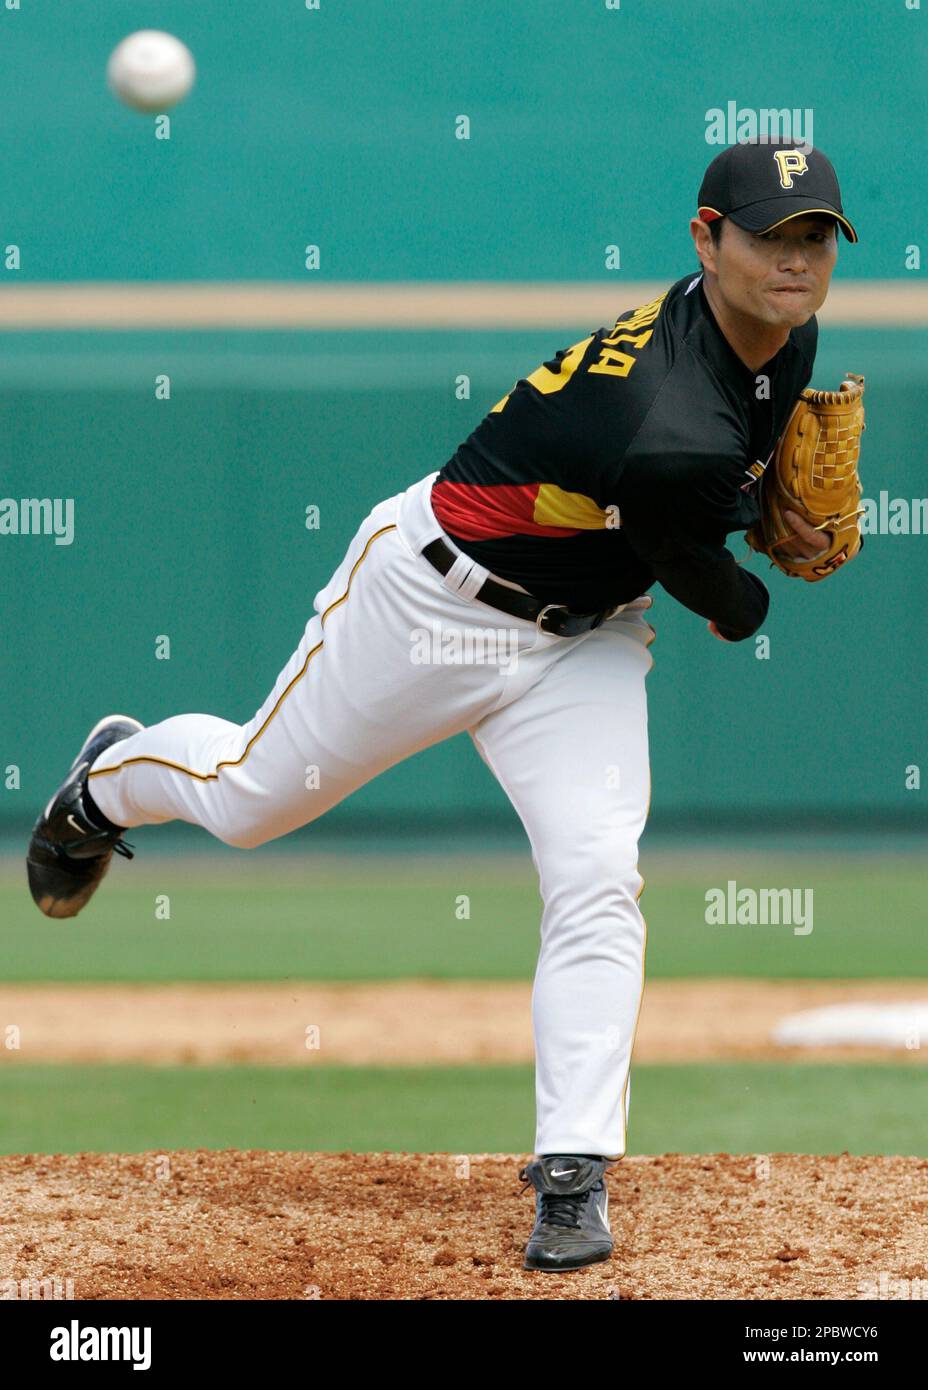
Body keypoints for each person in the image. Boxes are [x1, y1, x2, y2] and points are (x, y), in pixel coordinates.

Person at [26, 138, 858, 1273]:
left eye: (814, 237)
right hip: (430, 600)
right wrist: (764, 559)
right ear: (704, 237)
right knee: (251, 800)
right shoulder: (657, 416)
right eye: (770, 236)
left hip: (584, 638)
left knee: (598, 874)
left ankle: (572, 1170)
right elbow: (720, 598)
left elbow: (702, 492)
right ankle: (107, 784)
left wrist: (754, 498)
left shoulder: (779, 337)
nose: (796, 261)